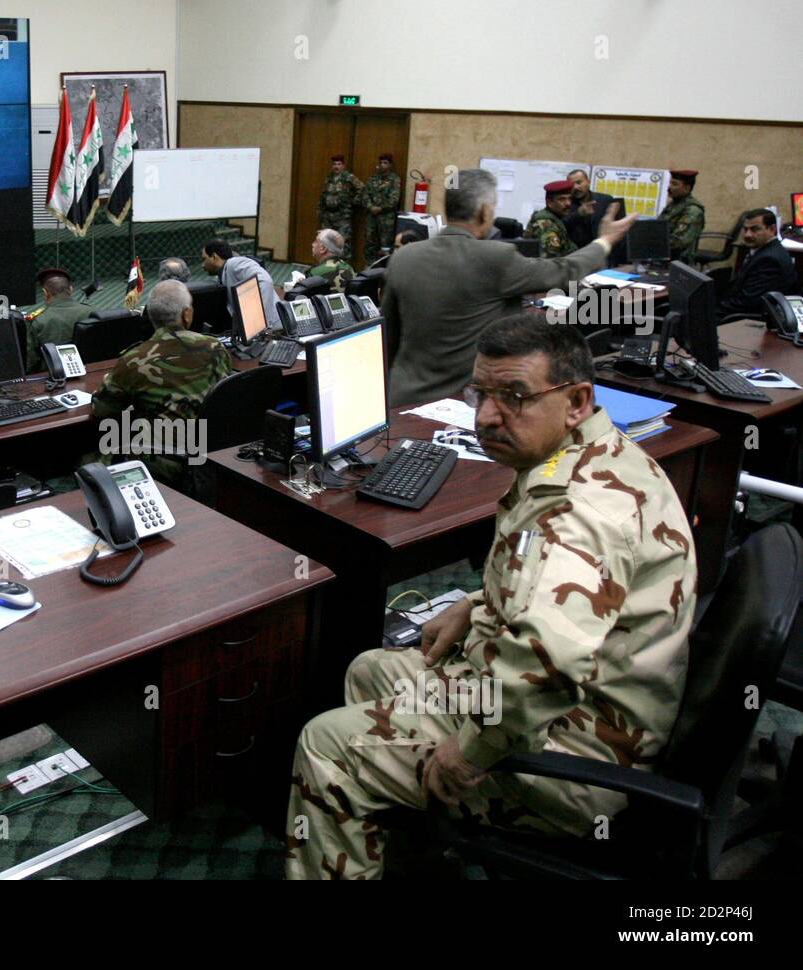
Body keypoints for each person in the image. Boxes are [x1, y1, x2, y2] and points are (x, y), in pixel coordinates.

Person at [286, 314, 697, 879]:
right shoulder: (587, 457)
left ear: (576, 400)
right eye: (480, 393)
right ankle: (412, 854)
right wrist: (476, 604)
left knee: (326, 745)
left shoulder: (579, 513)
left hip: (573, 755)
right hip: (573, 705)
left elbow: (543, 667)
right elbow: (558, 595)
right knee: (370, 669)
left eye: (515, 397)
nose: (485, 416)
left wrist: (470, 752)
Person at [382, 168, 636, 406]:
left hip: (402, 398)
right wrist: (605, 241)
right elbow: (563, 270)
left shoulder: (404, 257)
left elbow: (387, 337)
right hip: (464, 405)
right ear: (484, 211)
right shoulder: (496, 257)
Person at [90, 280, 231, 487]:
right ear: (186, 314)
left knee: (87, 459)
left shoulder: (134, 359)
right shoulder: (215, 348)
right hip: (213, 452)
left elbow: (102, 410)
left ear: (150, 317)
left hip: (163, 461)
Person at [718, 208, 799, 321]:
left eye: (754, 229)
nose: (747, 235)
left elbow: (747, 302)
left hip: (749, 320)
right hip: (737, 308)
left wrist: (712, 310)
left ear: (772, 229)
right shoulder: (762, 250)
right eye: (745, 229)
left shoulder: (770, 260)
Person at [200, 238, 282, 331]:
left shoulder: (235, 263)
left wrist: (254, 319)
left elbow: (265, 281)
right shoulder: (222, 274)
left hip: (273, 328)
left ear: (214, 257)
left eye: (204, 259)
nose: (202, 265)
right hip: (262, 331)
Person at [23, 268, 93, 374]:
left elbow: (31, 361)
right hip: (92, 370)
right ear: (71, 289)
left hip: (53, 376)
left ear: (45, 292)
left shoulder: (38, 320)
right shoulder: (92, 312)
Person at [563, 168, 624, 250]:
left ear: (588, 182)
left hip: (603, 254)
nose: (576, 187)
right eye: (571, 185)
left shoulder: (605, 200)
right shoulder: (565, 205)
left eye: (579, 182)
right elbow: (560, 226)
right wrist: (578, 214)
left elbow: (618, 230)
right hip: (576, 255)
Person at [360, 153, 402, 262]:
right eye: (381, 163)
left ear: (390, 165)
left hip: (386, 218)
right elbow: (365, 195)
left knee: (385, 246)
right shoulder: (373, 178)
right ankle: (369, 268)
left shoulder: (394, 179)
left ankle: (384, 270)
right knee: (369, 244)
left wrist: (380, 208)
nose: (382, 165)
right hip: (371, 217)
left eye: (385, 163)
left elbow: (394, 199)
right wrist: (370, 207)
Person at [661, 169, 705, 263]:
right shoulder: (674, 205)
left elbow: (679, 242)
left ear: (687, 188)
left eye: (674, 184)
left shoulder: (693, 211)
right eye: (670, 183)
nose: (669, 187)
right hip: (664, 257)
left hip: (679, 262)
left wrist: (652, 244)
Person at [524, 180, 577, 257]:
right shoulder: (546, 223)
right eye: (562, 199)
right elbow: (550, 259)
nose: (568, 203)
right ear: (550, 203)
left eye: (569, 199)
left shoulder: (556, 218)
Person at [317, 155, 363, 244]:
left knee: (342, 242)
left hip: (342, 215)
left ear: (343, 166)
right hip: (328, 215)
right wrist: (320, 209)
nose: (336, 166)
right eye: (334, 164)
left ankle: (343, 259)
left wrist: (354, 201)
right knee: (327, 242)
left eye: (339, 164)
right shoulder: (329, 178)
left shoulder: (348, 177)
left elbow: (361, 188)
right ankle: (330, 258)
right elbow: (324, 194)